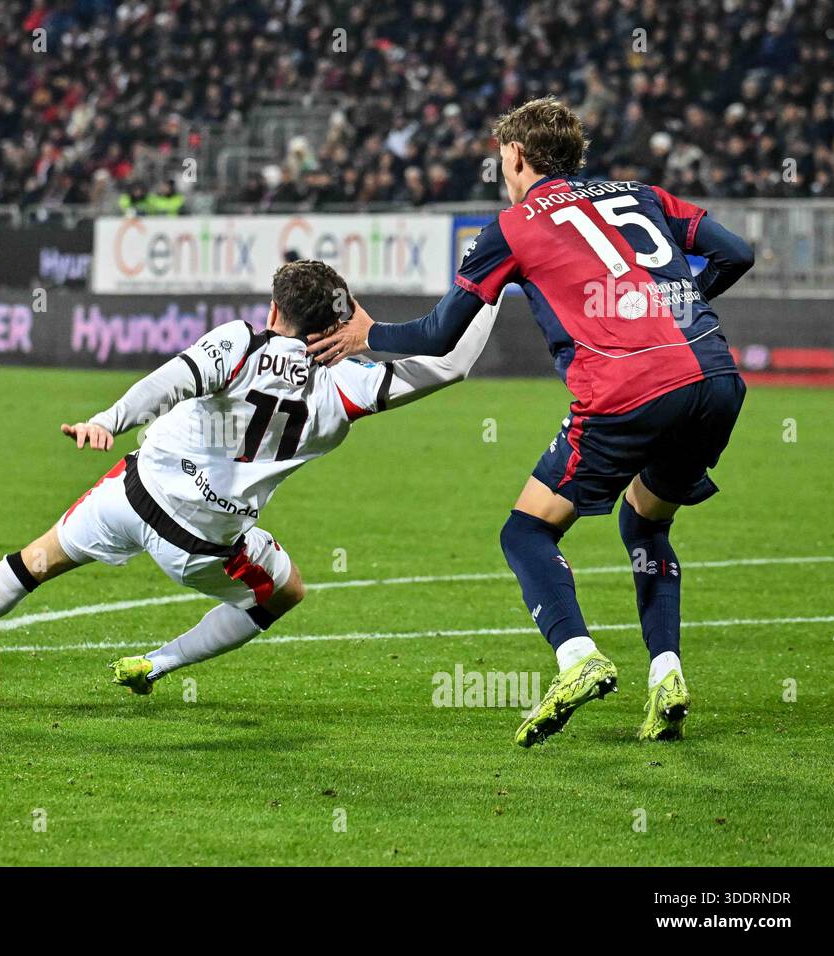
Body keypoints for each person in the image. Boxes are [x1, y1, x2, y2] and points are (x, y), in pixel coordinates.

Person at [307, 98, 754, 745]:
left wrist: (368, 332)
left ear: (516, 158)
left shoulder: (513, 226)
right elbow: (735, 252)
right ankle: (666, 674)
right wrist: (675, 305)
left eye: (501, 160)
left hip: (627, 388)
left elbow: (438, 334)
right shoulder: (642, 193)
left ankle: (577, 658)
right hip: (715, 377)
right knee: (644, 521)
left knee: (525, 534)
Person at [0, 260, 499, 693]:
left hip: (132, 495)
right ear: (336, 323)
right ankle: (157, 664)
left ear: (273, 311)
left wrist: (108, 419)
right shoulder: (349, 389)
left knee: (35, 561)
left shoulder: (239, 343)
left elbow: (169, 381)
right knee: (285, 593)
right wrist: (491, 287)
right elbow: (450, 365)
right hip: (203, 547)